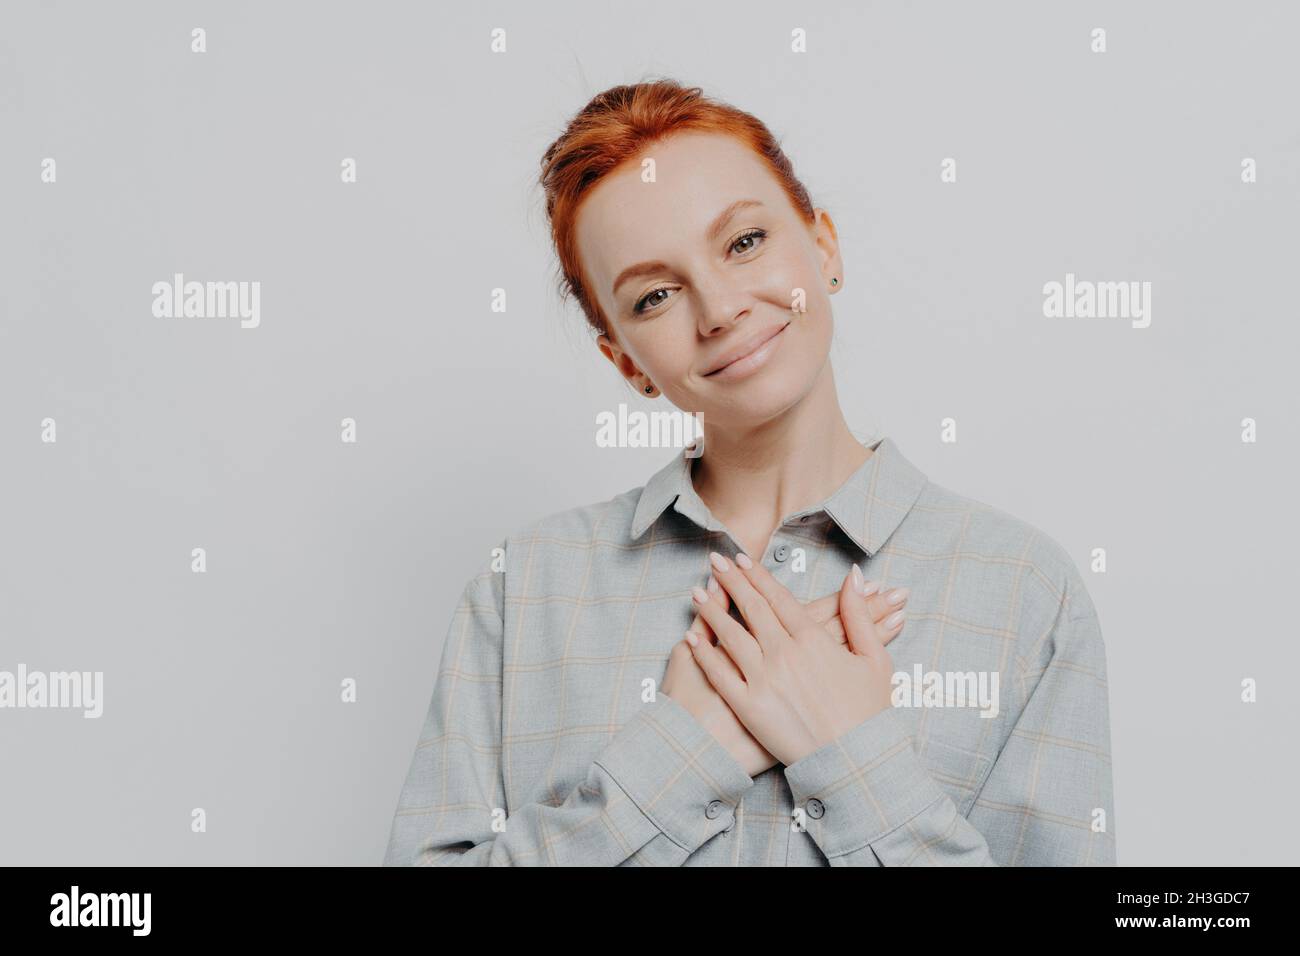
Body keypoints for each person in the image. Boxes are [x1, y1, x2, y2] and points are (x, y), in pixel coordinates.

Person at [382, 78, 1115, 866]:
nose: (721, 308)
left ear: (824, 246)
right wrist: (680, 754)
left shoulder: (1025, 591)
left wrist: (849, 756)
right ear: (624, 360)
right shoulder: (521, 590)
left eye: (743, 243)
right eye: (656, 296)